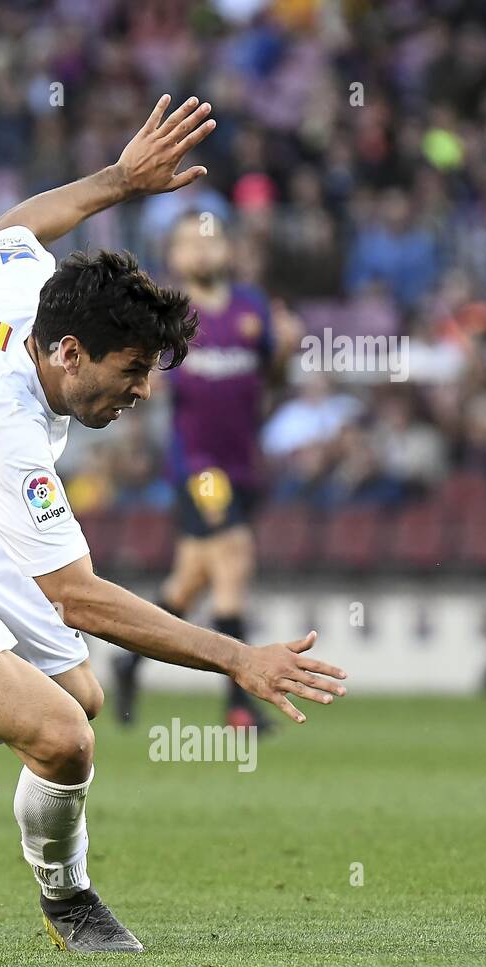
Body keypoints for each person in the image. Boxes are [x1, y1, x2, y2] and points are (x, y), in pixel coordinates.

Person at [0, 96, 348, 952]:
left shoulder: (31, 295)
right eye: (131, 370)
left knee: (83, 694)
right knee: (65, 736)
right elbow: (80, 599)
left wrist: (121, 181)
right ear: (68, 353)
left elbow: (10, 228)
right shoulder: (1, 428)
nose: (143, 392)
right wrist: (238, 657)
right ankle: (69, 900)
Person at [112, 211, 298, 729]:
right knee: (234, 556)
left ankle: (129, 662)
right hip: (198, 468)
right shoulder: (170, 316)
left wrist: (285, 349)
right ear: (174, 256)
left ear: (228, 250)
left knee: (191, 579)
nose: (200, 250)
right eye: (189, 242)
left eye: (209, 240)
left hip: (244, 465)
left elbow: (273, 376)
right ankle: (239, 703)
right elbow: (142, 378)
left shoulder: (252, 307)